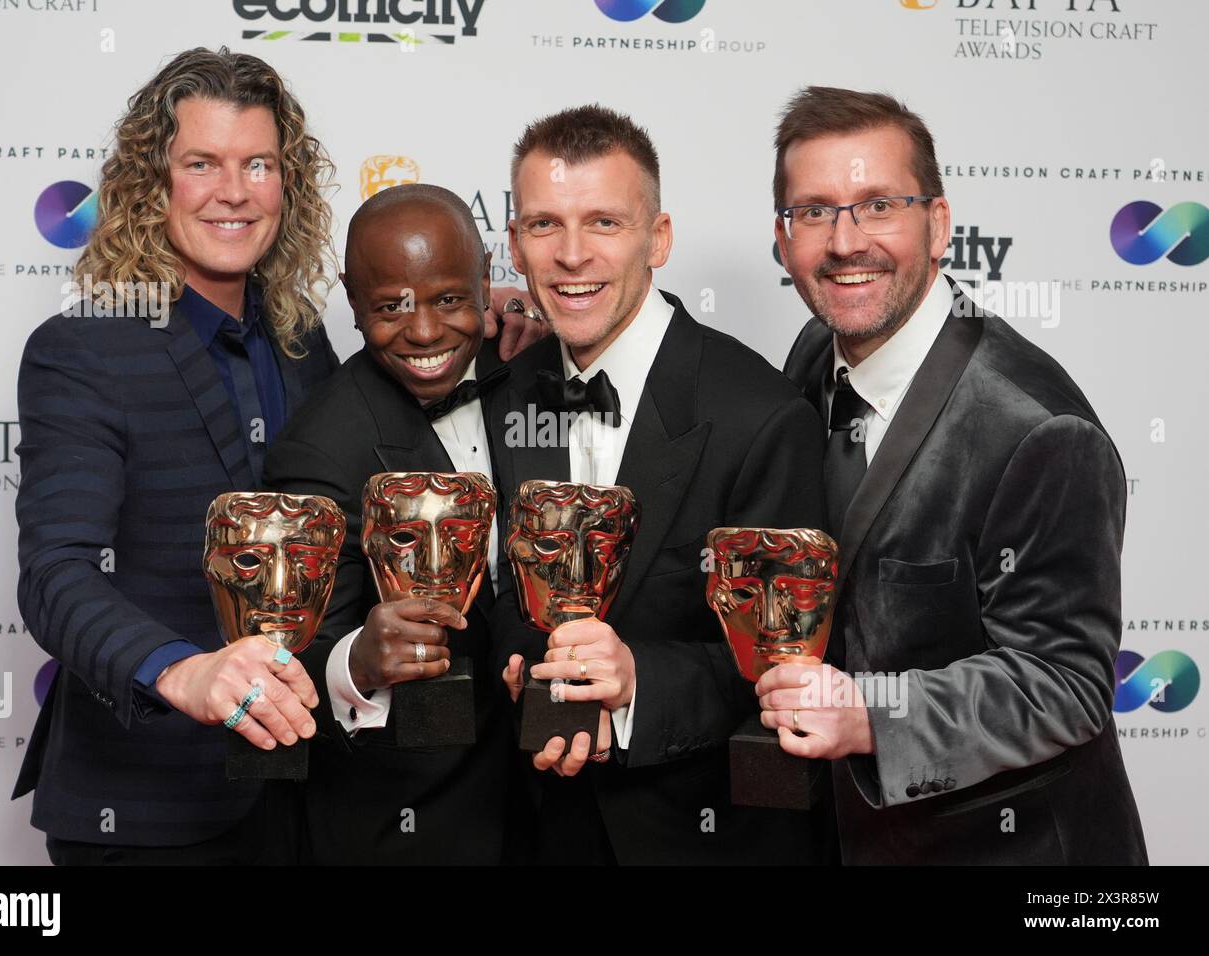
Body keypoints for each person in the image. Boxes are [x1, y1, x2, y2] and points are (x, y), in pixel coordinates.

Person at [12, 46, 542, 866]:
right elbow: (57, 573)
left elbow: (409, 385)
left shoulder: (301, 345)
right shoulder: (83, 350)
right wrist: (181, 671)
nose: (234, 191)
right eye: (202, 164)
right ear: (152, 183)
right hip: (152, 806)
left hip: (306, 795)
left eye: (258, 164)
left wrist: (486, 321)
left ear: (285, 182)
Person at [770, 86, 1148, 865]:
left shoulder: (1039, 428)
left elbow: (1065, 682)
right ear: (783, 239)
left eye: (878, 204)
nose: (845, 242)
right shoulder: (815, 354)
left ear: (939, 225)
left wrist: (873, 713)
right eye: (814, 211)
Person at [488, 105, 832, 865]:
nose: (572, 255)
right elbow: (492, 591)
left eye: (605, 223)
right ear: (515, 244)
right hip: (535, 831)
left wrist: (640, 678)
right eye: (545, 225)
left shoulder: (761, 416)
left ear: (660, 238)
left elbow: (786, 662)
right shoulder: (500, 395)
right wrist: (518, 650)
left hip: (700, 835)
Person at [261, 184, 517, 864]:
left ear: (486, 278)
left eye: (450, 299)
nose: (426, 331)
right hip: (407, 830)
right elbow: (282, 660)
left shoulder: (530, 374)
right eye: (390, 307)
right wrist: (357, 661)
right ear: (352, 300)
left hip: (551, 814)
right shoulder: (320, 446)